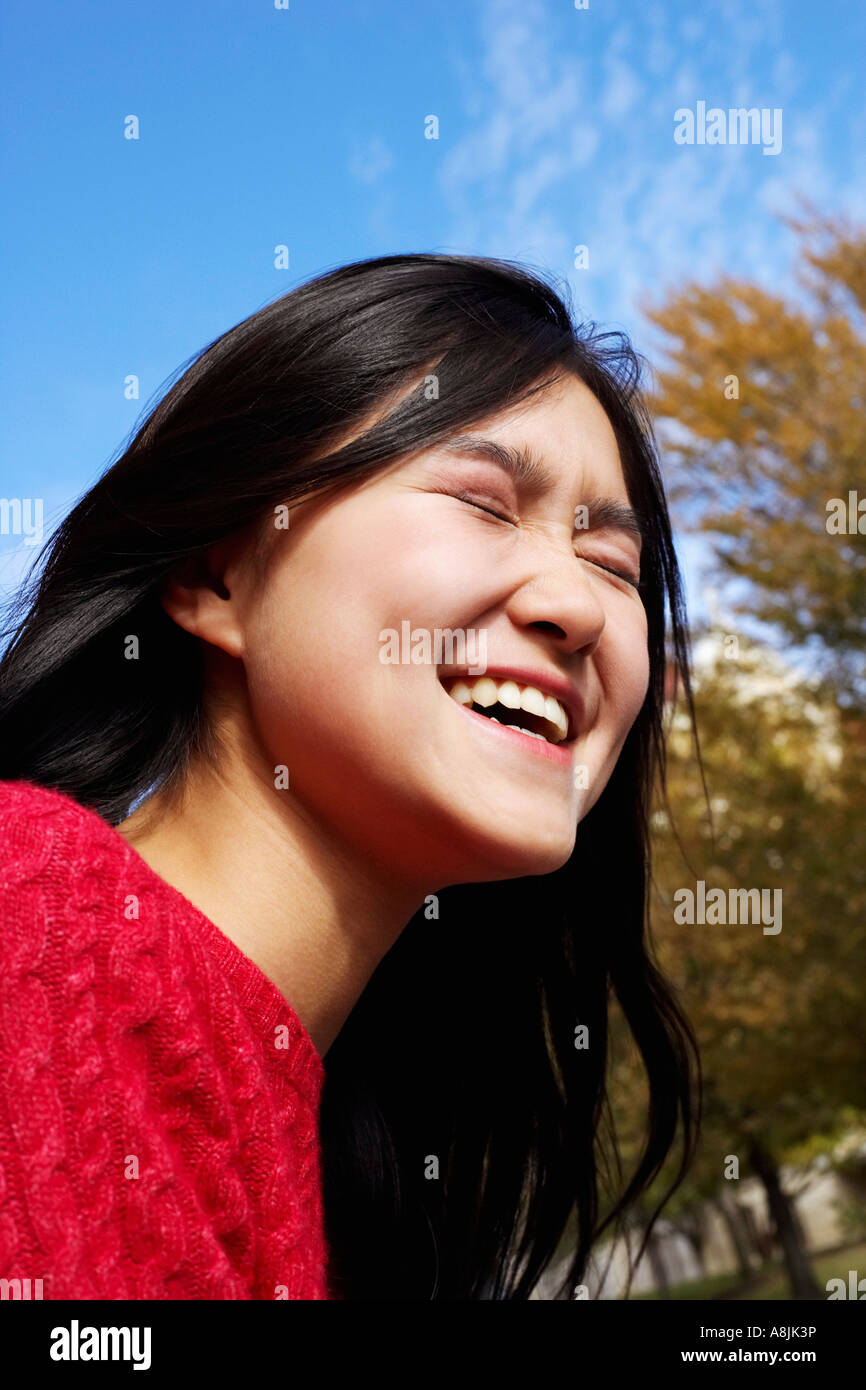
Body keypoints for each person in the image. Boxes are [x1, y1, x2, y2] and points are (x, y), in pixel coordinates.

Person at [0, 252, 701, 1300]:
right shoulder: (25, 926)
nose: (580, 606)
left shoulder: (345, 1161)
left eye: (610, 562)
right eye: (483, 503)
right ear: (215, 574)